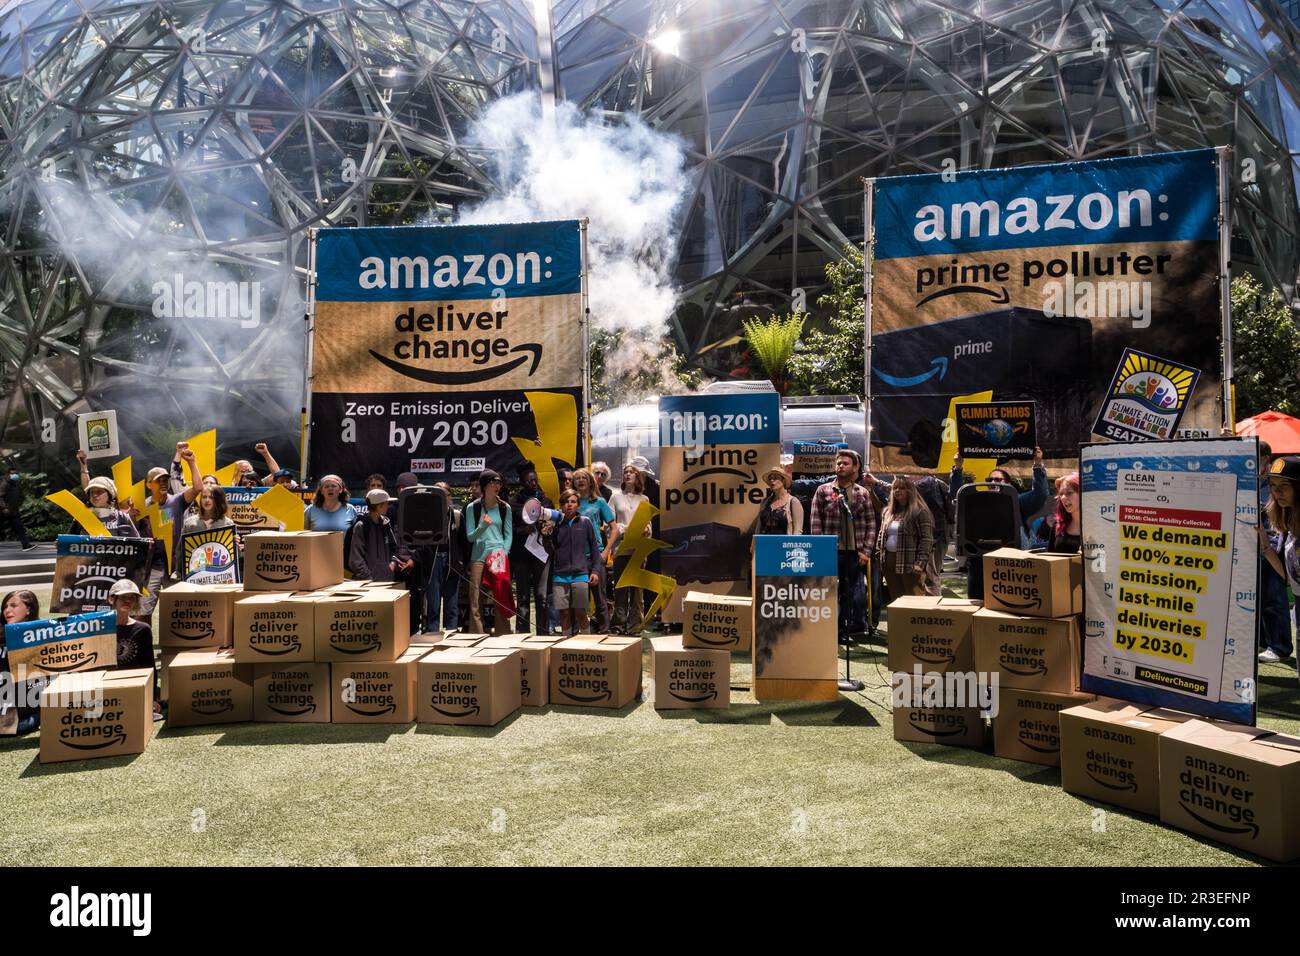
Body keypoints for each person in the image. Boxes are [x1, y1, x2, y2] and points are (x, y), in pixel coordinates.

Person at [810, 449, 876, 644]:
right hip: (829, 552)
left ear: (855, 467)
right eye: (839, 463)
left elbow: (871, 523)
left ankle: (842, 630)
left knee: (848, 593)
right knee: (825, 592)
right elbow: (815, 522)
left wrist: (866, 550)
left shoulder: (862, 493)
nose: (841, 466)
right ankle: (824, 629)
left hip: (853, 553)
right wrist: (820, 550)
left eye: (845, 463)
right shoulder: (823, 490)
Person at [1255, 442, 1293, 663]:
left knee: (1275, 598)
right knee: (1261, 596)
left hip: (1276, 544)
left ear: (1266, 457)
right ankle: (1264, 639)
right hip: (1260, 546)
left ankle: (1280, 646)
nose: (1277, 491)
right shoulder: (1254, 480)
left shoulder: (1272, 481)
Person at [542, 491, 600, 637]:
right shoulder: (555, 524)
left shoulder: (585, 522)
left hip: (580, 574)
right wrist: (546, 537)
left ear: (578, 505)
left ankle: (587, 643)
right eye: (566, 502)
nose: (569, 505)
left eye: (573, 502)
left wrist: (595, 571)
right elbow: (550, 551)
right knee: (564, 613)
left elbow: (594, 548)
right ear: (561, 505)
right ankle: (566, 644)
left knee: (581, 612)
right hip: (560, 575)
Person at [465, 469, 513, 635]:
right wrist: (482, 526)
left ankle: (503, 635)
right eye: (493, 483)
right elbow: (470, 537)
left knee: (500, 596)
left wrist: (504, 552)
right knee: (475, 597)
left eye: (499, 483)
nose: (497, 486)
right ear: (484, 486)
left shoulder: (504, 507)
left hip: (498, 555)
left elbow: (508, 535)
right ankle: (476, 635)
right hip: (478, 556)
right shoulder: (473, 507)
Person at [107, 579, 162, 719]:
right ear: (111, 599)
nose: (128, 601)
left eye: (132, 598)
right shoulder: (101, 628)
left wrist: (152, 697)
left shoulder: (143, 629)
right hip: (108, 688)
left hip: (135, 686)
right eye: (123, 597)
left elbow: (149, 665)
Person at [572, 468, 617, 632]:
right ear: (573, 483)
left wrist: (606, 552)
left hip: (595, 555)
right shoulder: (571, 503)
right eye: (577, 478)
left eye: (584, 477)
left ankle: (604, 632)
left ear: (590, 481)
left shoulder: (599, 502)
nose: (581, 480)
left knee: (600, 598)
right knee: (578, 599)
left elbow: (615, 529)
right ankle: (580, 633)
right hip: (576, 557)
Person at [510, 463, 553, 634]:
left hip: (542, 556)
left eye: (535, 480)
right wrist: (523, 530)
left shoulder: (546, 501)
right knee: (523, 598)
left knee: (542, 597)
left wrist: (548, 529)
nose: (533, 483)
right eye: (529, 481)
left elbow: (554, 525)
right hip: (521, 556)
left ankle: (543, 633)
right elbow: (508, 529)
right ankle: (523, 633)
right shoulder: (513, 503)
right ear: (521, 482)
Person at [875, 476, 935, 599]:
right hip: (889, 561)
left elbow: (926, 540)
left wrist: (920, 563)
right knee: (896, 597)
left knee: (914, 598)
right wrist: (879, 558)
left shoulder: (920, 511)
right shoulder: (888, 512)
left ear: (910, 491)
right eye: (895, 488)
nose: (897, 491)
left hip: (910, 562)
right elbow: (881, 536)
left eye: (902, 488)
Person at [609, 463, 651, 635]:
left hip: (639, 549)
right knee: (621, 589)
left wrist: (647, 529)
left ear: (637, 476)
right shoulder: (615, 497)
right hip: (621, 548)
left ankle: (635, 627)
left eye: (631, 472)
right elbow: (609, 524)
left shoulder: (644, 499)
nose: (627, 474)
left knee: (637, 592)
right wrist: (627, 529)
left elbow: (649, 523)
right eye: (625, 472)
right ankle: (618, 626)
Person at [1, 588, 44, 735]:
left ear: (29, 609)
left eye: (13, 605)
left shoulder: (44, 635)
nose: (7, 610)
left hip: (29, 700)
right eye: (5, 607)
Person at [348, 489, 412, 582]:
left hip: (387, 580)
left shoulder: (386, 523)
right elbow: (355, 559)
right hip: (368, 584)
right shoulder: (361, 526)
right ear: (379, 506)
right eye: (387, 503)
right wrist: (368, 578)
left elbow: (393, 548)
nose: (388, 506)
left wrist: (393, 564)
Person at [426, 482, 463, 632]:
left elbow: (463, 542)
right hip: (433, 562)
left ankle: (451, 638)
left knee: (451, 606)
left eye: (445, 495)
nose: (442, 498)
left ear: (449, 497)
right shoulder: (426, 515)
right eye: (438, 495)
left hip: (451, 561)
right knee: (433, 606)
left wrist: (460, 562)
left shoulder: (456, 516)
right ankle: (432, 637)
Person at [69, 466, 140, 538]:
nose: (95, 495)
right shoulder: (82, 518)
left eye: (100, 491)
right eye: (92, 492)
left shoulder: (122, 517)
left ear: (110, 494)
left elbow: (138, 544)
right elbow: (67, 542)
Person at [1037, 473, 1082, 554]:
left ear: (1082, 493)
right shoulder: (1057, 525)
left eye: (1069, 493)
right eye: (1061, 494)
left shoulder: (1096, 525)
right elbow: (1050, 557)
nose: (1063, 497)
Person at [753, 467, 804, 536]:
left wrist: (791, 545)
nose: (771, 480)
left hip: (784, 545)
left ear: (783, 481)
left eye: (775, 478)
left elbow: (797, 531)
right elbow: (758, 528)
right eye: (770, 478)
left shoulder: (793, 502)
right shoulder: (765, 502)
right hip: (765, 545)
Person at [0, 463, 34, 551]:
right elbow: (0, 496)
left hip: (13, 511)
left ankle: (26, 545)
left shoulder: (15, 484)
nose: (14, 475)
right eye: (12, 473)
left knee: (20, 528)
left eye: (15, 473)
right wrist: (4, 508)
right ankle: (26, 545)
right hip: (4, 511)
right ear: (8, 474)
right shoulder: (5, 483)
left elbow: (18, 496)